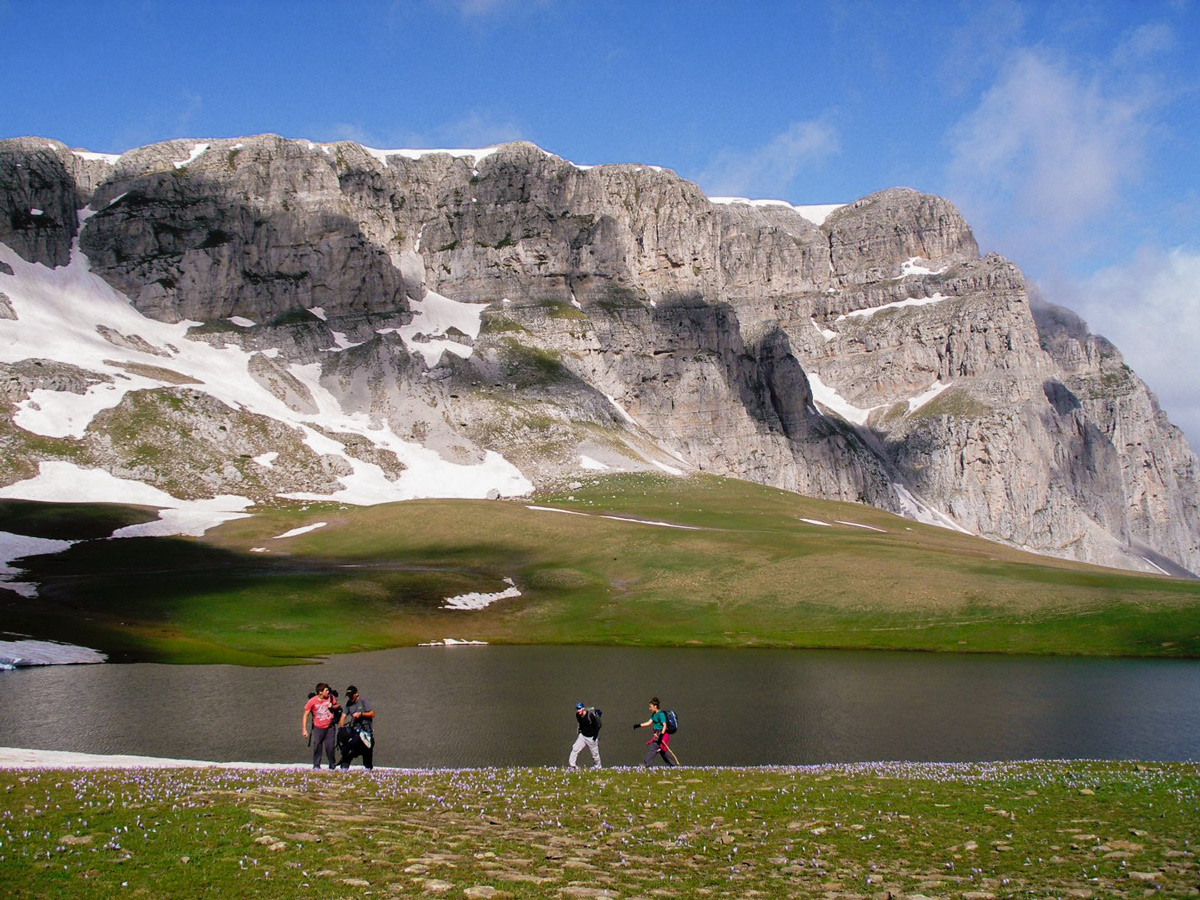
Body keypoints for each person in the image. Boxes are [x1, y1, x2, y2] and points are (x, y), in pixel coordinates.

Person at [302, 683, 341, 770]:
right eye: (326, 690)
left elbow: (338, 706)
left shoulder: (330, 697)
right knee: (317, 746)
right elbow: (306, 715)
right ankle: (316, 765)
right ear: (320, 692)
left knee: (330, 747)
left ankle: (332, 765)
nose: (328, 692)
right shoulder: (312, 701)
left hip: (330, 727)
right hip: (318, 727)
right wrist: (304, 729)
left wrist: (333, 706)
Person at [337, 684, 375, 771]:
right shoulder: (348, 703)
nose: (350, 698)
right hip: (354, 729)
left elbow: (372, 713)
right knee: (351, 745)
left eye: (351, 696)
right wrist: (342, 728)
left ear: (356, 694)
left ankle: (368, 767)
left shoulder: (363, 701)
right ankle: (345, 764)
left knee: (367, 748)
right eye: (349, 696)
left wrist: (361, 714)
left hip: (365, 730)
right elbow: (343, 716)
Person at [633, 696, 676, 767]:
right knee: (663, 751)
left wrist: (661, 735)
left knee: (653, 748)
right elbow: (649, 723)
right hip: (656, 734)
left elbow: (664, 725)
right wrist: (638, 725)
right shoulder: (654, 715)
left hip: (661, 734)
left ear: (655, 706)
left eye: (651, 707)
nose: (649, 708)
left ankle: (645, 764)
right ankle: (672, 765)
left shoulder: (661, 714)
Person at [568, 701, 602, 769]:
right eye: (577, 709)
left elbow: (597, 726)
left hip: (591, 738)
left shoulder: (590, 716)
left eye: (579, 709)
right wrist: (580, 731)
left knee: (595, 755)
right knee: (575, 749)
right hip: (582, 736)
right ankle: (572, 765)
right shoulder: (577, 715)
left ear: (583, 709)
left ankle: (598, 767)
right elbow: (580, 724)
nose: (578, 711)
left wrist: (594, 737)